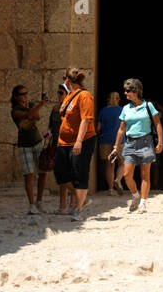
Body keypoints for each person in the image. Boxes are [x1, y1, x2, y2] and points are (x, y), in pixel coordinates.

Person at [109, 78, 162, 212]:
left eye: (127, 91)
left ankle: (143, 202)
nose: (125, 93)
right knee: (127, 174)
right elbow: (121, 129)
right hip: (130, 143)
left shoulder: (148, 106)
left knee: (145, 175)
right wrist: (115, 147)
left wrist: (160, 142)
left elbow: (157, 123)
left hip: (146, 141)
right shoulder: (126, 108)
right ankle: (135, 195)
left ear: (136, 91)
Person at [54, 68, 96, 220]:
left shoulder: (85, 96)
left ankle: (78, 208)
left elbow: (86, 119)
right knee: (60, 173)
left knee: (79, 173)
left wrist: (79, 141)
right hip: (64, 142)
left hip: (82, 140)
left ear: (67, 80)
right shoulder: (69, 96)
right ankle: (81, 200)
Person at [10, 84, 49, 214]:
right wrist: (40, 105)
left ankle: (39, 201)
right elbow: (27, 116)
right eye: (22, 94)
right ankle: (32, 204)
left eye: (26, 93)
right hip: (24, 145)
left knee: (42, 172)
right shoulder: (14, 110)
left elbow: (36, 117)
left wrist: (33, 110)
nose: (26, 95)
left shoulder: (30, 105)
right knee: (29, 175)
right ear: (16, 97)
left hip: (37, 141)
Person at [98, 91, 124, 194]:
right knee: (122, 162)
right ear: (117, 99)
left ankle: (110, 189)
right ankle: (118, 180)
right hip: (119, 141)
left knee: (110, 165)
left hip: (105, 141)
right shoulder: (122, 110)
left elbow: (98, 128)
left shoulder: (103, 111)